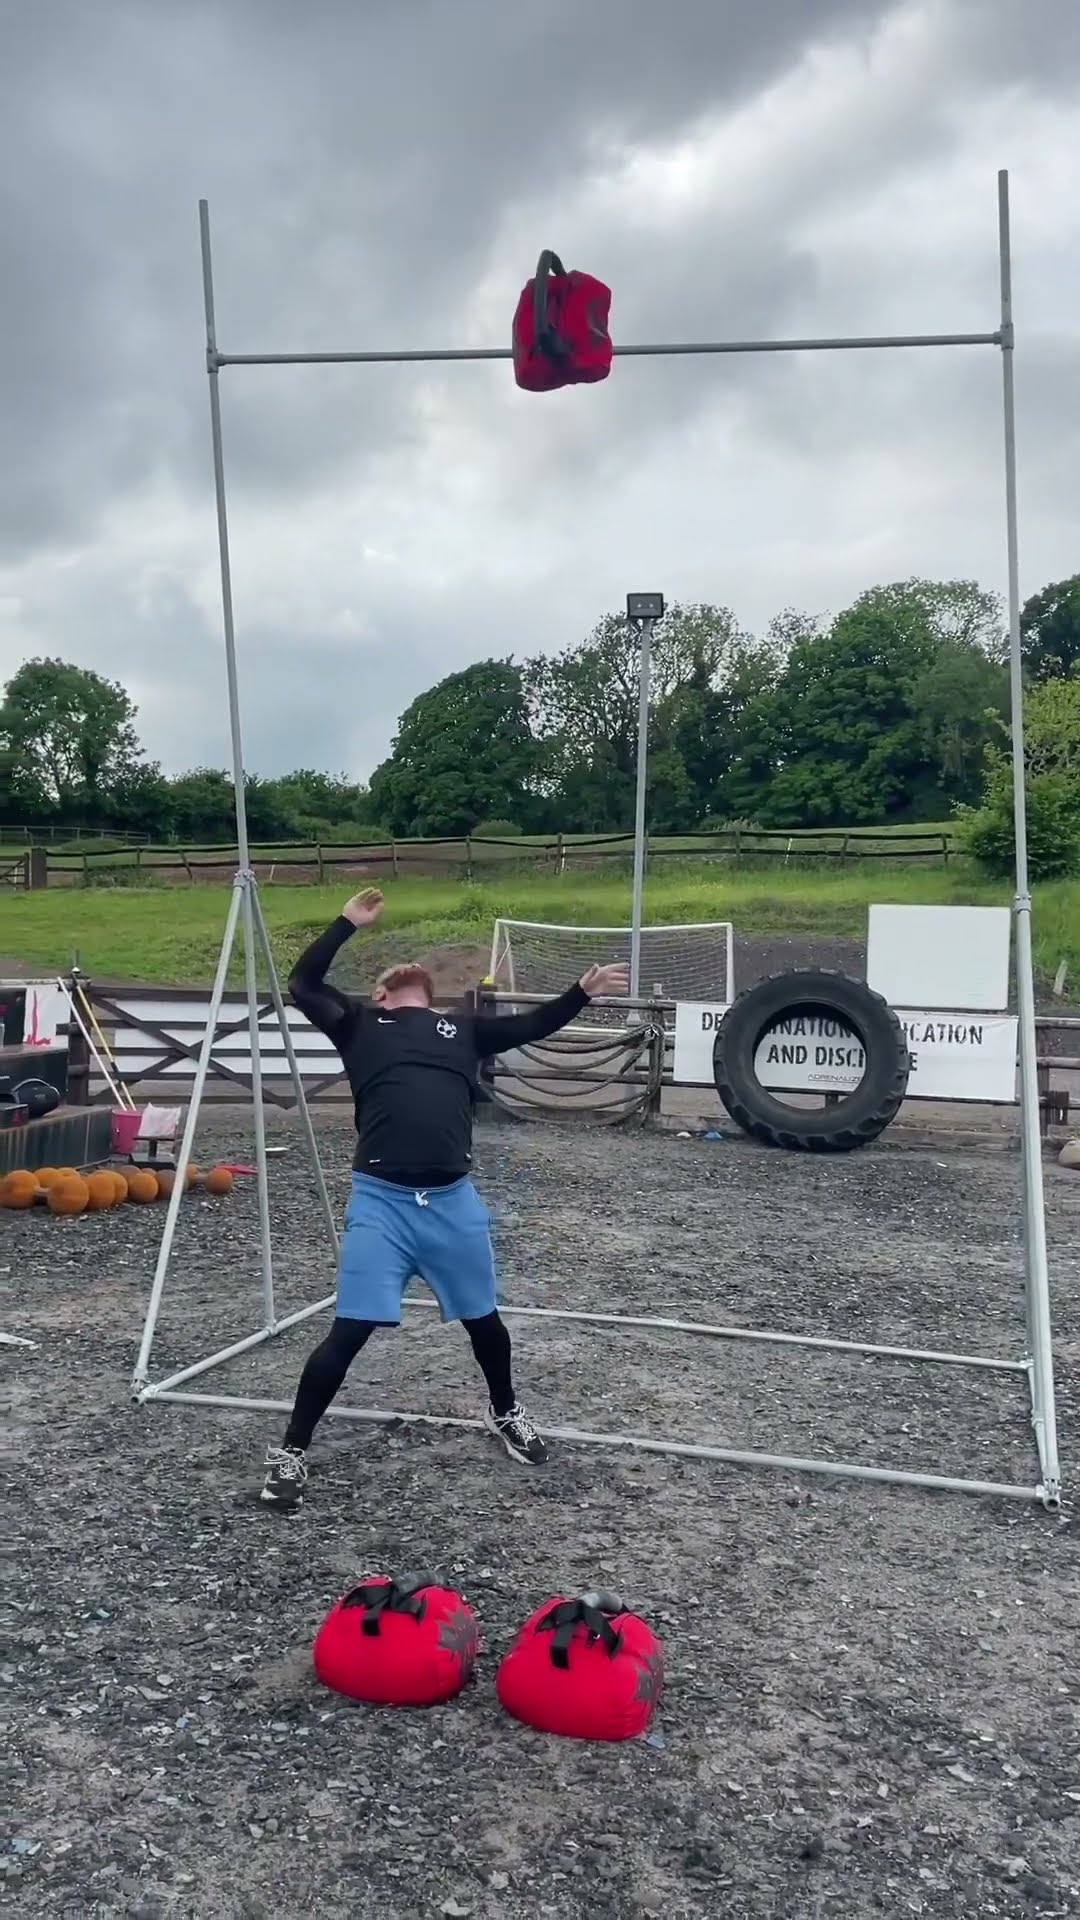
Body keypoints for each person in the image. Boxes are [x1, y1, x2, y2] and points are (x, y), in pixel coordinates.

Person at [261, 888, 629, 1510]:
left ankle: (505, 1413)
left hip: (453, 1200)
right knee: (349, 1331)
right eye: (389, 980)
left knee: (486, 1322)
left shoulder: (465, 1030)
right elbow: (302, 983)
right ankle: (293, 1449)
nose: (402, 979)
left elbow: (532, 1026)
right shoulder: (358, 1024)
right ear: (379, 995)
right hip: (381, 1204)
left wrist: (580, 994)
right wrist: (346, 923)